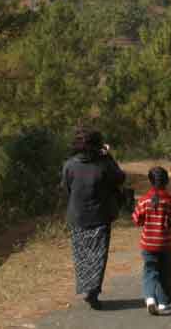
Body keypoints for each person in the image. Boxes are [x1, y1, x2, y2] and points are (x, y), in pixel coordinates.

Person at [61, 125, 126, 310]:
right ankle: (93, 291)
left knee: (81, 255)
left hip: (77, 216)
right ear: (97, 145)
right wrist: (108, 156)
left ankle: (86, 288)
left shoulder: (69, 165)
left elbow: (66, 188)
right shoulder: (103, 164)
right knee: (98, 256)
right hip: (100, 216)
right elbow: (120, 178)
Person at [132, 166, 171, 315]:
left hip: (148, 244)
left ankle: (149, 299)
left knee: (150, 272)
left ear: (150, 181)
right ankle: (163, 302)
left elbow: (136, 219)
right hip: (165, 244)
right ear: (166, 181)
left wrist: (145, 221)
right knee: (165, 273)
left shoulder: (144, 200)